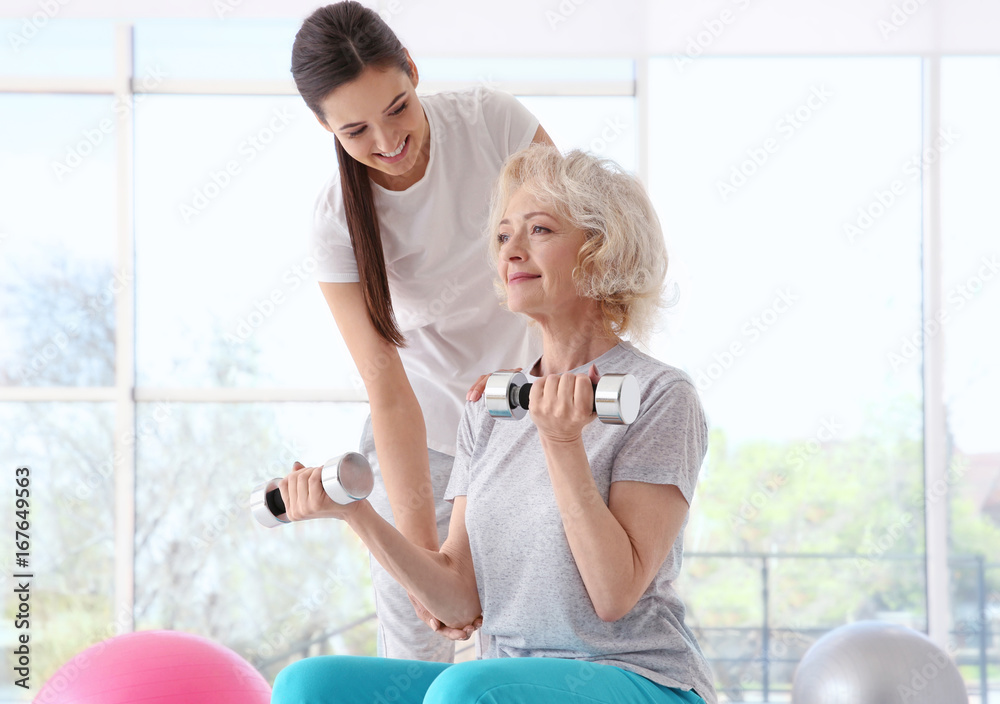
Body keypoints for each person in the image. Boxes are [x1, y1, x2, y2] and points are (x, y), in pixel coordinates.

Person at [271, 145, 718, 704]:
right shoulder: (493, 405)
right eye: (504, 235)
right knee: (311, 685)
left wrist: (561, 440)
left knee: (465, 691)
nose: (512, 250)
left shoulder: (658, 396)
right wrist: (355, 512)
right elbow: (460, 602)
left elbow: (613, 594)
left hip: (635, 677)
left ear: (600, 255)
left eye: (540, 230)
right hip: (496, 680)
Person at [290, 1, 552, 662]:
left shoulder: (494, 122)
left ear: (412, 70)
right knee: (415, 646)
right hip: (425, 437)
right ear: (323, 125)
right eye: (355, 130)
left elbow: (576, 254)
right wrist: (420, 556)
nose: (387, 142)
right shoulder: (335, 222)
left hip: (530, 421)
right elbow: (387, 388)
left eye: (399, 107)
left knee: (526, 636)